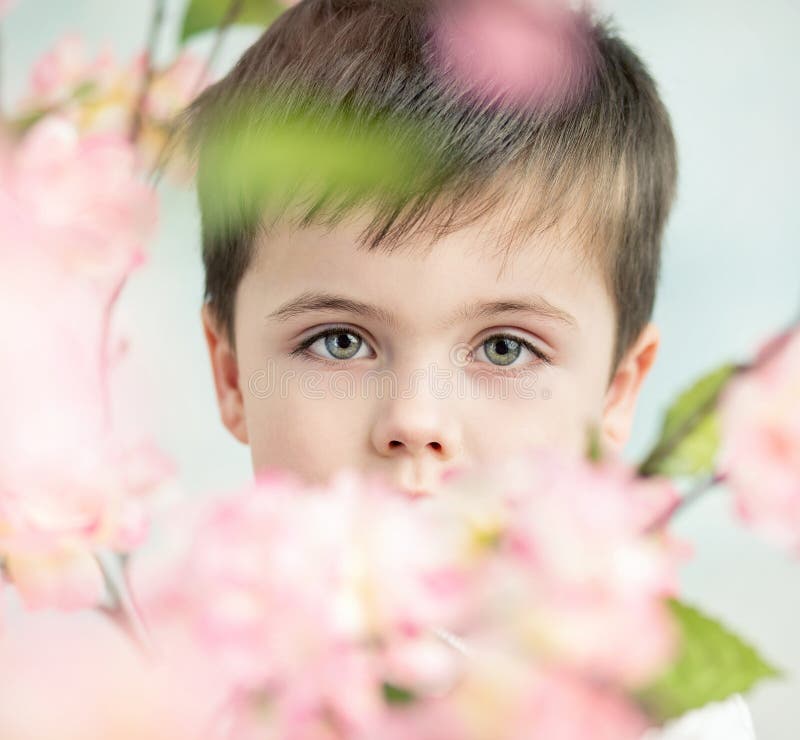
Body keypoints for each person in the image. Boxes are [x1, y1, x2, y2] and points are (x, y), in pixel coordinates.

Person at [186, 1, 757, 736]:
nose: (416, 422)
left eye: (504, 348)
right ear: (233, 377)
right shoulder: (159, 692)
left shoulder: (660, 709)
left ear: (616, 393)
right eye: (340, 341)